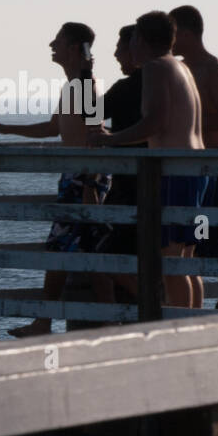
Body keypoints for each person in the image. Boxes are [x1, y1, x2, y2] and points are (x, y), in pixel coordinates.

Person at [0, 22, 106, 336]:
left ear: (75, 48)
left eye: (59, 40)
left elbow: (95, 136)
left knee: (78, 250)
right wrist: (8, 129)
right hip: (77, 177)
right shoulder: (74, 86)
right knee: (80, 251)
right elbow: (55, 128)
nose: (52, 44)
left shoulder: (85, 86)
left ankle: (53, 321)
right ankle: (63, 320)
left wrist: (91, 182)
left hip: (84, 179)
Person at [90, 11, 205, 308]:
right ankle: (192, 329)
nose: (123, 51)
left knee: (170, 263)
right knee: (185, 262)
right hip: (194, 170)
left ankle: (178, 334)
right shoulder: (180, 68)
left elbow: (154, 121)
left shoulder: (154, 68)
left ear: (140, 40)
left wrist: (109, 139)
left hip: (173, 172)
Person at [172, 5, 218, 305]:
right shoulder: (177, 70)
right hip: (192, 167)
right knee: (191, 245)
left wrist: (189, 122)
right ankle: (193, 314)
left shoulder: (212, 68)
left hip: (216, 164)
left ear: (186, 32)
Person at [87, 25, 145, 306]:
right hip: (159, 184)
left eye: (120, 48)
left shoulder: (128, 87)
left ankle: (151, 303)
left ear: (136, 50)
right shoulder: (169, 82)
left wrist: (85, 74)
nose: (115, 54)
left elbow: (90, 112)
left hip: (129, 186)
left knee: (104, 254)